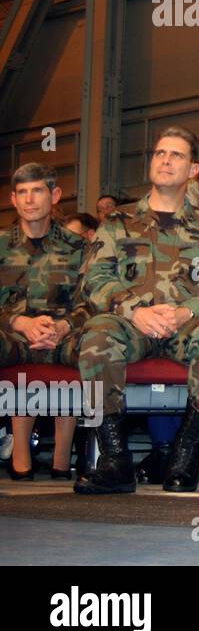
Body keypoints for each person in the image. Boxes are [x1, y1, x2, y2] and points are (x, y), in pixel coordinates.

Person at [77, 126, 199, 495]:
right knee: (96, 336)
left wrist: (187, 312)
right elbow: (94, 279)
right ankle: (116, 459)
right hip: (131, 325)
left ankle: (184, 455)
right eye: (159, 153)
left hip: (186, 325)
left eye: (176, 155)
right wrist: (135, 311)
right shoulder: (118, 222)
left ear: (194, 170)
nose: (165, 160)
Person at [1, 164, 87, 480]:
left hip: (61, 335)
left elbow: (90, 302)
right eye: (22, 192)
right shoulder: (0, 244)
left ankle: (63, 457)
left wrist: (64, 327)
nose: (29, 199)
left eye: (37, 190)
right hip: (14, 335)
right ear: (13, 199)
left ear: (54, 196)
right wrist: (18, 321)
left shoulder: (77, 246)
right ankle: (19, 455)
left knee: (98, 349)